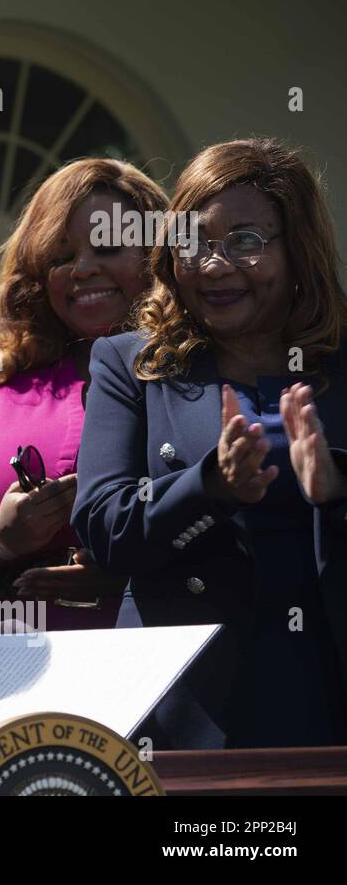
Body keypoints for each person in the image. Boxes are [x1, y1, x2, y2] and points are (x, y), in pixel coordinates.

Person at [74, 139, 347, 748]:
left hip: (325, 693)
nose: (214, 266)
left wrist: (335, 493)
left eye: (246, 241)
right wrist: (210, 486)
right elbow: (103, 528)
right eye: (194, 242)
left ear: (297, 249)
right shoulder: (132, 364)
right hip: (187, 710)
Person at [0, 158, 168, 629]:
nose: (82, 269)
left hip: (154, 658)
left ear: (157, 254)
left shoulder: (192, 374)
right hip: (8, 666)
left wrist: (130, 569)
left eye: (109, 247)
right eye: (60, 256)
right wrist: (0, 535)